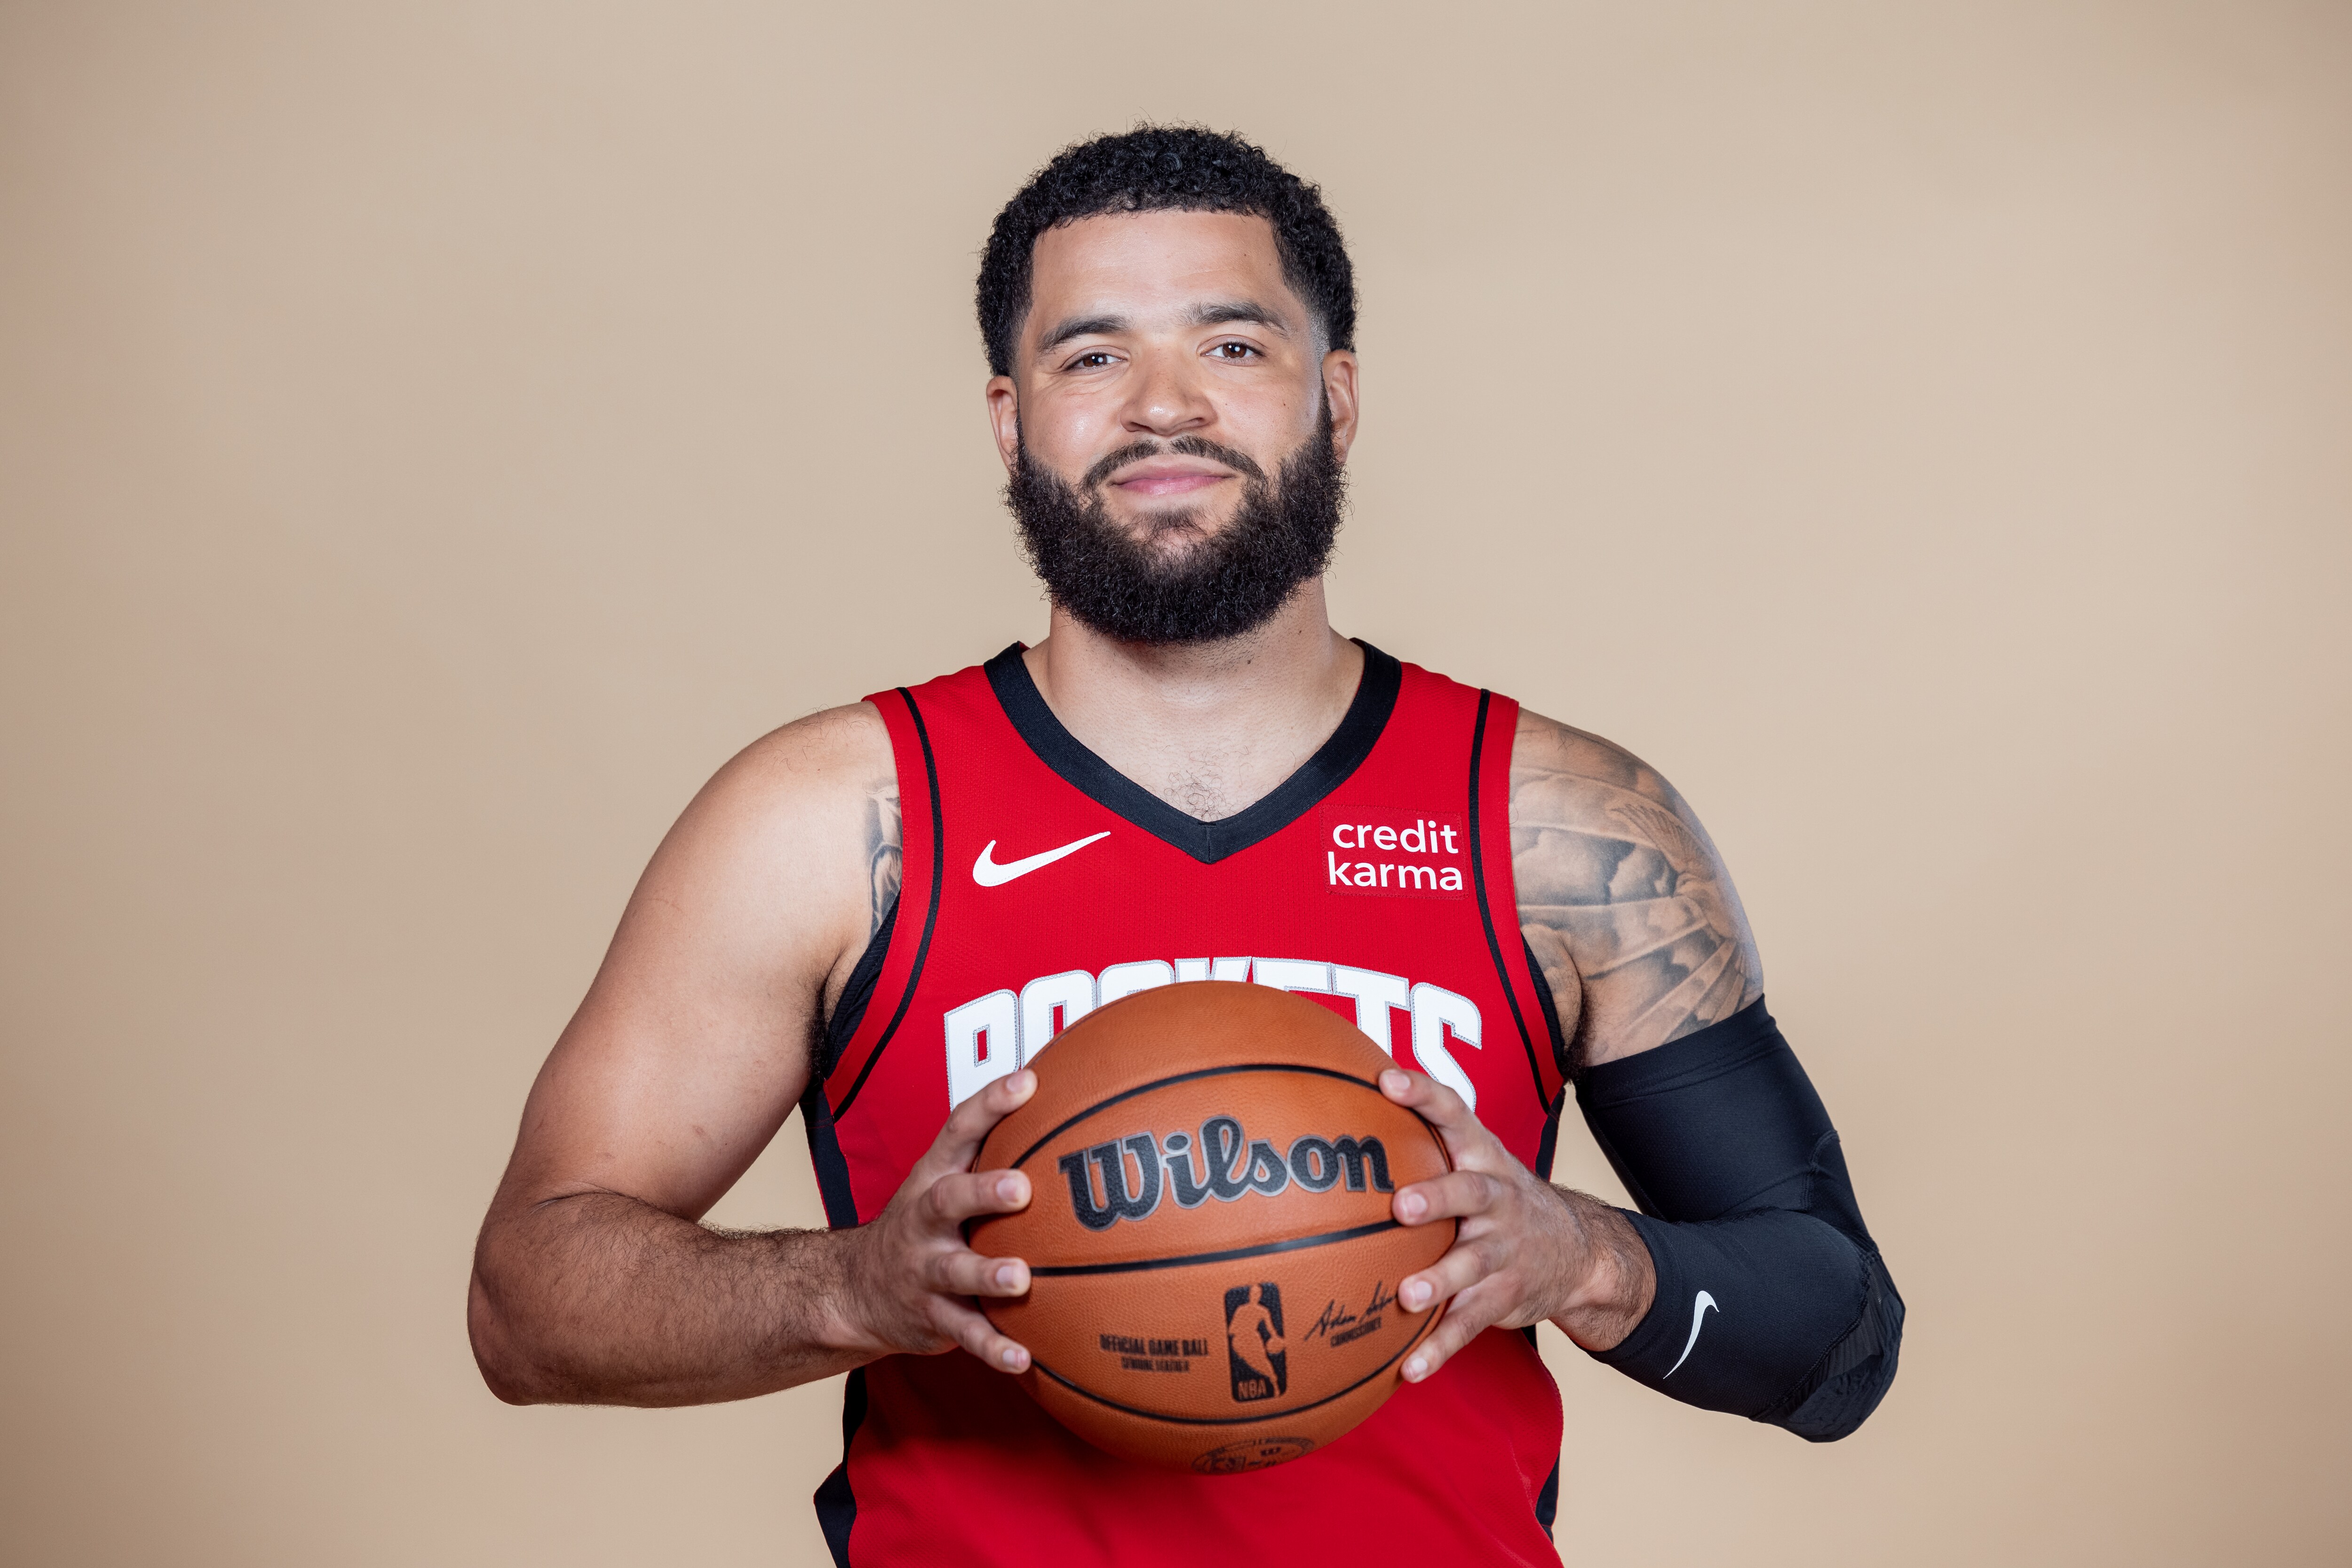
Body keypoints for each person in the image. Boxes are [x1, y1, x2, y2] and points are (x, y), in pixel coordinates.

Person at [468, 126, 1903, 1567]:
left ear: (1336, 400)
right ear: (1008, 417)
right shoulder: (837, 820)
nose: (1162, 408)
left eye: (1232, 346)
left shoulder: (1559, 825)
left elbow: (1839, 1340)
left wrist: (1581, 1256)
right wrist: (854, 1288)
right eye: (1090, 357)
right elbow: (525, 1302)